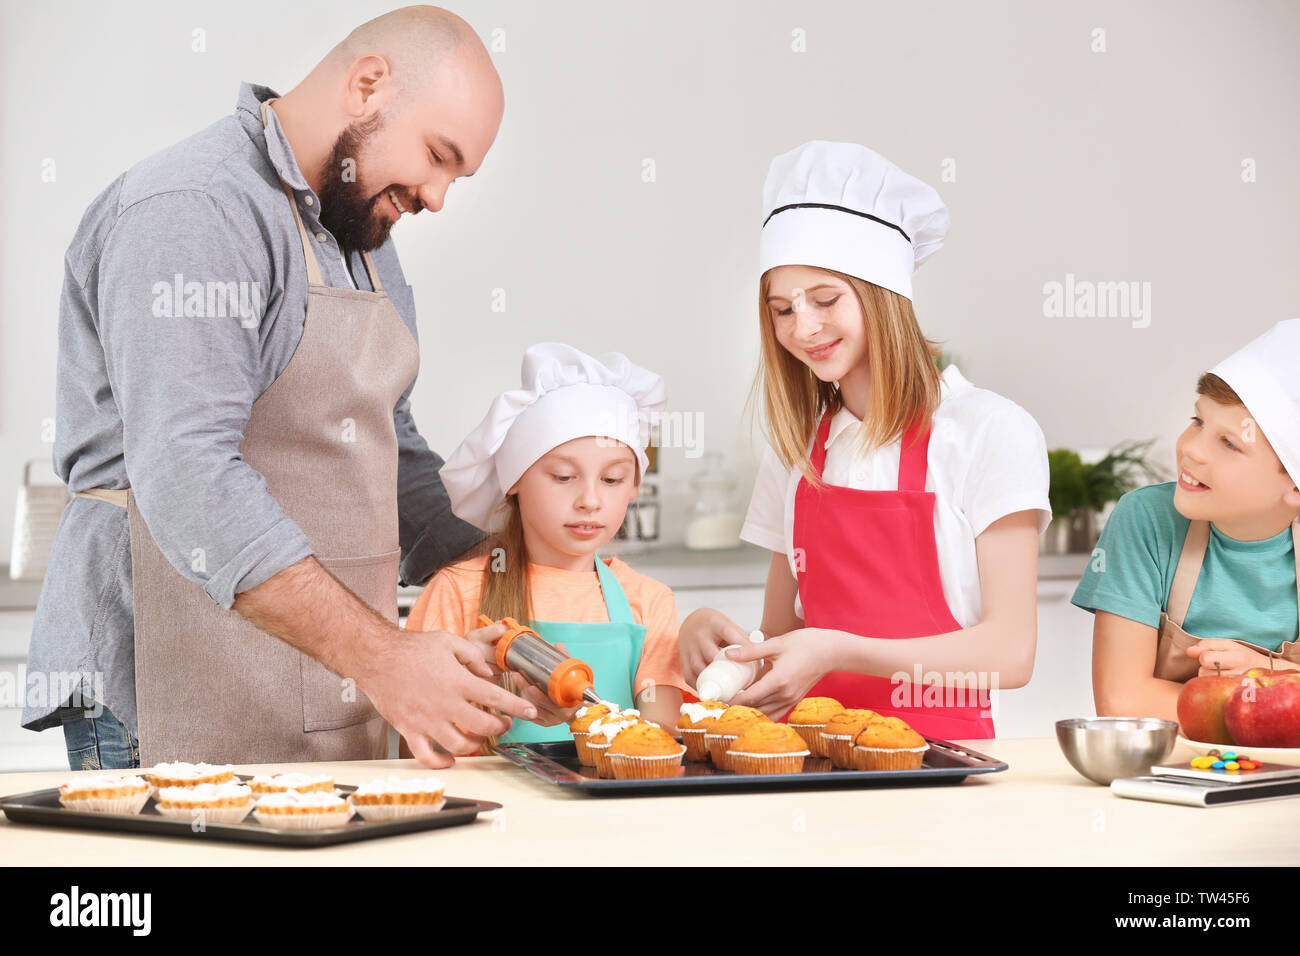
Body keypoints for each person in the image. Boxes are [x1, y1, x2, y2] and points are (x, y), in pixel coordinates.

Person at [22, 5, 537, 770]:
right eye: (437, 156)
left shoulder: (361, 235)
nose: (436, 197)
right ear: (367, 84)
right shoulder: (194, 211)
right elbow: (188, 475)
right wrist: (385, 657)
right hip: (164, 686)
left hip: (322, 685)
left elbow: (389, 450)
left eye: (455, 176)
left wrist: (510, 570)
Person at [677, 141, 1050, 740]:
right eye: (781, 309)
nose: (803, 328)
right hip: (813, 761)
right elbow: (781, 646)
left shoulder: (990, 431)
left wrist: (839, 651)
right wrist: (716, 640)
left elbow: (1010, 654)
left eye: (825, 300)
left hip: (942, 767)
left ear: (883, 295)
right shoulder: (796, 452)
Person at [407, 343, 690, 744]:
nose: (590, 500)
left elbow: (662, 749)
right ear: (515, 480)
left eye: (611, 480)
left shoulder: (649, 601)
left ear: (634, 488)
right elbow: (422, 751)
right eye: (562, 476)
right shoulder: (455, 592)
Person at [1074, 319, 1300, 720]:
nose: (1192, 450)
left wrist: (1267, 672)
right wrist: (1260, 691)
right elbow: (1121, 701)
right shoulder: (1146, 520)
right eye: (1198, 421)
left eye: (1229, 443)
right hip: (1171, 771)